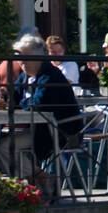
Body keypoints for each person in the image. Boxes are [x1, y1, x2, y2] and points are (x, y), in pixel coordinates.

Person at [10, 34, 82, 185]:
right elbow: (13, 98)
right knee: (0, 145)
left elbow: (38, 103)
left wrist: (22, 101)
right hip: (40, 130)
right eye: (18, 57)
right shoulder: (25, 77)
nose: (21, 62)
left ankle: (39, 182)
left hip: (60, 132)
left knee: (6, 148)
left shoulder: (50, 75)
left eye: (25, 57)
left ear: (38, 57)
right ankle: (39, 181)